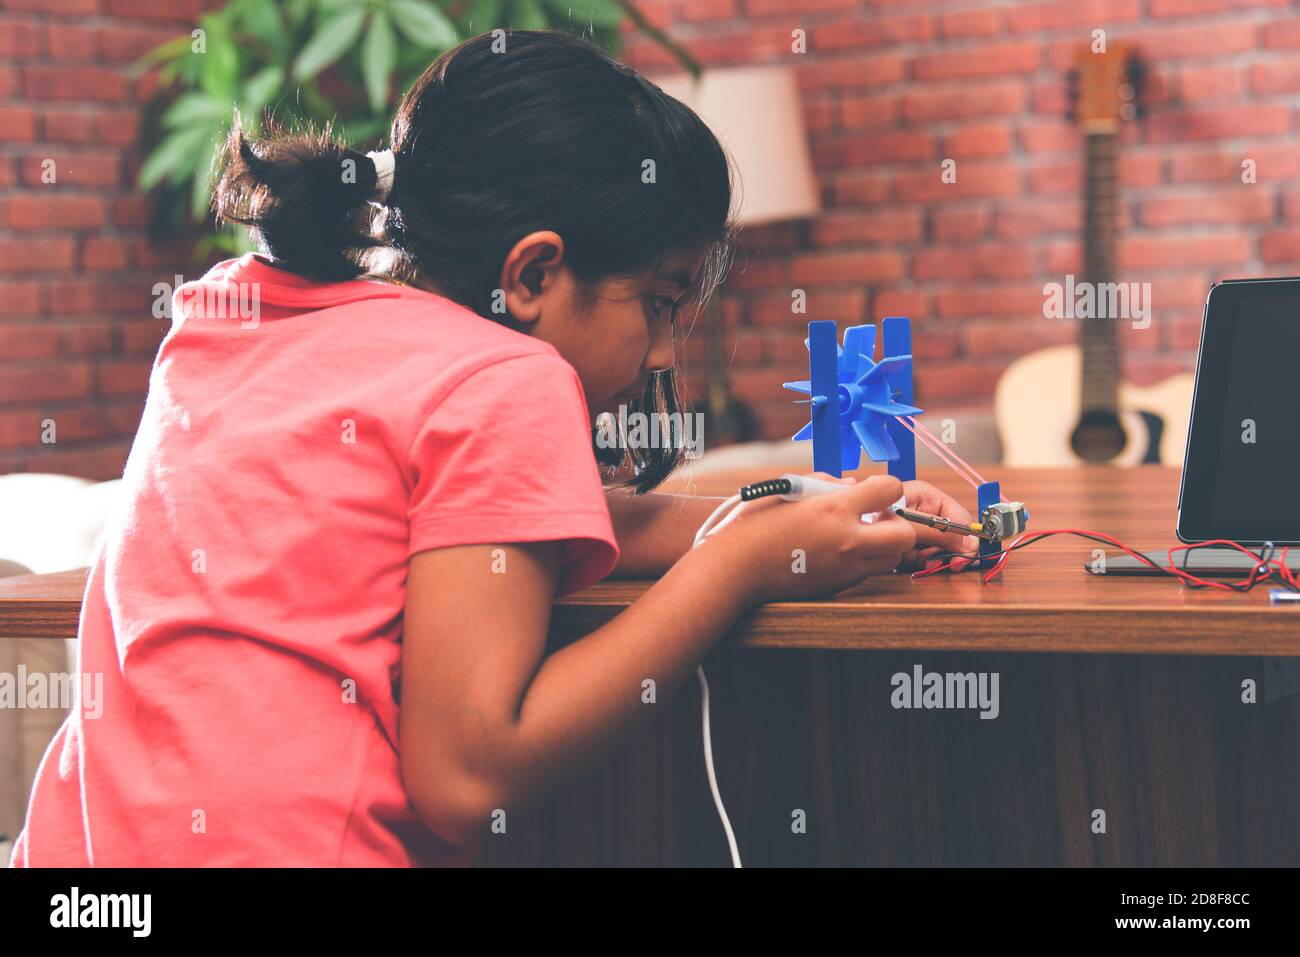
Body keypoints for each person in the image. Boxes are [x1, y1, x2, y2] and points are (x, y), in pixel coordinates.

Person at [12, 29, 974, 867]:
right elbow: (470, 774)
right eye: (662, 302)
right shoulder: (505, 377)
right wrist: (737, 569)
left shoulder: (230, 310)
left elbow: (475, 523)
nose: (666, 351)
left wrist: (783, 514)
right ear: (534, 272)